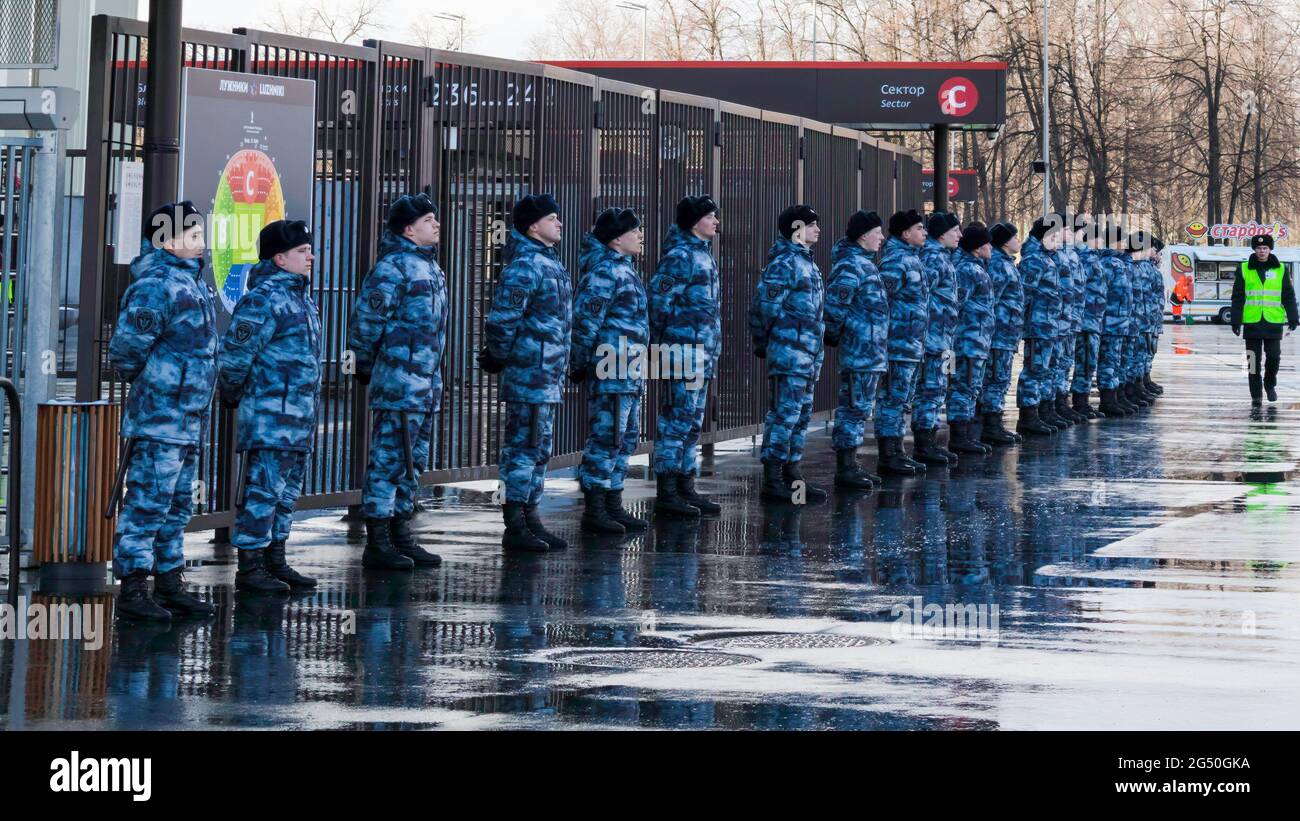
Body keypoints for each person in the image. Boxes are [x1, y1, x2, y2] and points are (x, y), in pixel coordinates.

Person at [108, 201, 218, 621]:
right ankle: (135, 589)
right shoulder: (156, 283)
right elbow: (126, 351)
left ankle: (170, 583)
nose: (200, 241)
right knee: (147, 504)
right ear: (168, 240)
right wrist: (158, 383)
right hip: (160, 418)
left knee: (176, 506)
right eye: (192, 234)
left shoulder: (191, 281)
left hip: (187, 418)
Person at [218, 219, 323, 593]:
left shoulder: (300, 298)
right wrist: (231, 392)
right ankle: (250, 566)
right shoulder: (263, 300)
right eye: (301, 251)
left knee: (285, 493)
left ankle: (275, 559)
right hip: (271, 418)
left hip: (298, 419)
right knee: (262, 492)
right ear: (279, 258)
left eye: (309, 249)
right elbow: (235, 356)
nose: (310, 256)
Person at [348, 193, 448, 569]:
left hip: (424, 385)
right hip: (399, 383)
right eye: (427, 220)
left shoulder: (429, 267)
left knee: (412, 462)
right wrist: (365, 364)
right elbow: (366, 324)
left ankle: (401, 533)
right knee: (389, 461)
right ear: (408, 229)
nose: (436, 224)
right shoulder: (394, 268)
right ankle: (378, 539)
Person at [479, 193, 573, 551]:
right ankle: (515, 523)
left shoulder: (547, 262)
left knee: (538, 450)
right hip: (530, 374)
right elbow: (503, 319)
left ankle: (531, 516)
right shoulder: (526, 266)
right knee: (523, 450)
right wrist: (500, 356)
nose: (559, 223)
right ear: (533, 226)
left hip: (546, 374)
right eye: (552, 218)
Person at [571, 207, 649, 534]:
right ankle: (596, 507)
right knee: (606, 438)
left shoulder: (624, 269)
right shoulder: (604, 273)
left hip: (629, 371)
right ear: (617, 239)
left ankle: (613, 503)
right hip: (612, 371)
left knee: (624, 438)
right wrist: (578, 363)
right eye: (635, 230)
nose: (641, 235)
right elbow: (585, 323)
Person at [649, 195, 722, 517]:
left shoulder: (701, 255)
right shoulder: (680, 256)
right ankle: (667, 491)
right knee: (676, 423)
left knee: (691, 424)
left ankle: (685, 486)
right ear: (695, 223)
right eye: (711, 216)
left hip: (700, 354)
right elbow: (658, 301)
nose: (716, 221)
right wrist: (663, 343)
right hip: (681, 351)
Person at [750, 204, 827, 504]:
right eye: (811, 224)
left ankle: (792, 475)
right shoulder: (785, 263)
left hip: (807, 355)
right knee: (784, 415)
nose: (817, 229)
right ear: (796, 229)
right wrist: (766, 341)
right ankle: (773, 478)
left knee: (801, 416)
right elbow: (763, 308)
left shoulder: (806, 262)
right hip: (790, 353)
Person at [823, 210, 887, 489]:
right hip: (860, 350)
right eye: (877, 232)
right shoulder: (851, 265)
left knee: (860, 408)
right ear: (863, 236)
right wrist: (836, 335)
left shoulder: (864, 263)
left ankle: (851, 463)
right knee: (853, 408)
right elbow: (835, 307)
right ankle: (845, 467)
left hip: (870, 351)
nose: (882, 237)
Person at [874, 209, 930, 474]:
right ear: (906, 233)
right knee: (892, 399)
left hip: (910, 343)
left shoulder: (911, 258)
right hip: (898, 344)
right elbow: (881, 301)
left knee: (903, 400)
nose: (924, 232)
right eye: (920, 228)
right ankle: (888, 454)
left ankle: (897, 450)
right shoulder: (896, 261)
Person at [912, 211, 962, 466]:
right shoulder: (933, 258)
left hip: (942, 338)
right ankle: (924, 444)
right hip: (933, 338)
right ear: (942, 234)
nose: (959, 236)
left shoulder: (943, 257)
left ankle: (929, 441)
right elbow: (922, 296)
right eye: (955, 231)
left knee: (938, 388)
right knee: (930, 389)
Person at [1231, 233, 1299, 406]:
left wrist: (1293, 317)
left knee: (1274, 357)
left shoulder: (1281, 269)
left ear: (1270, 250)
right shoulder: (1244, 268)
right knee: (1252, 361)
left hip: (1273, 321)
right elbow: (1237, 297)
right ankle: (1256, 395)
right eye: (1259, 248)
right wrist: (1236, 320)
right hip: (1252, 322)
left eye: (1265, 248)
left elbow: (1288, 295)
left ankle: (1269, 384)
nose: (1262, 251)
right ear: (1254, 249)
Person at [946, 223, 996, 453]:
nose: (991, 248)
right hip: (966, 342)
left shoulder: (978, 268)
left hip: (977, 341)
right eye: (987, 243)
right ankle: (958, 436)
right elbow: (956, 303)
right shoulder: (967, 270)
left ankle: (965, 433)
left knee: (971, 387)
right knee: (962, 387)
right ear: (977, 247)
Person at [1015, 215, 1065, 435]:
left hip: (1048, 325)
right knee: (1035, 371)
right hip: (1038, 325)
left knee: (1045, 370)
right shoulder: (1034, 260)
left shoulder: (1046, 258)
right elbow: (1023, 295)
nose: (1059, 239)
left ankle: (1044, 410)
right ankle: (1028, 415)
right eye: (1054, 235)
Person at [1097, 221, 1137, 416]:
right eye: (1122, 240)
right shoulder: (1107, 263)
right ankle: (1107, 399)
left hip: (1120, 323)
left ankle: (1116, 396)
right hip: (1109, 323)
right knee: (1108, 361)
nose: (1125, 244)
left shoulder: (1118, 262)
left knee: (1115, 361)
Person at [1052, 215, 1088, 424]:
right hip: (1054, 322)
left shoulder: (1070, 254)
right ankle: (1053, 406)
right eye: (1073, 230)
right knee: (1050, 367)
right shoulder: (1057, 255)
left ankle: (1060, 404)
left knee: (1064, 364)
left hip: (1070, 319)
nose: (1080, 235)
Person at [1071, 220, 1108, 418]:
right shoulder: (1085, 258)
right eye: (1099, 237)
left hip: (1092, 320)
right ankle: (1079, 402)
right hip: (1085, 320)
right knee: (1084, 362)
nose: (1102, 240)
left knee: (1088, 362)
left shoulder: (1092, 257)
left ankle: (1082, 401)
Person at [1122, 231, 1155, 408]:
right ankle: (1125, 391)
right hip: (1124, 322)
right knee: (1122, 359)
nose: (1150, 251)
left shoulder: (1138, 267)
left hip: (1137, 321)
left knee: (1132, 356)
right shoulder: (1128, 267)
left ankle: (1133, 387)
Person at [1143, 237, 1166, 396]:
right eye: (1156, 252)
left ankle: (1144, 380)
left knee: (1148, 351)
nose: (1158, 256)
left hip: (1151, 319)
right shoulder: (1145, 269)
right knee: (1141, 353)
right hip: (1143, 320)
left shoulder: (1151, 268)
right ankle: (1139, 383)